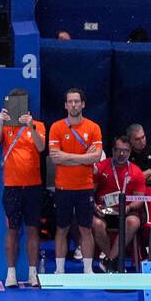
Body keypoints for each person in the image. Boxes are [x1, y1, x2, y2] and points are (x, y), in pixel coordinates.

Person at [0, 88, 46, 287]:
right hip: (12, 187)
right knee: (12, 230)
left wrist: (30, 127)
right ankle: (11, 273)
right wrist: (1, 122)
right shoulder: (5, 127)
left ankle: (32, 273)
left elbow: (41, 147)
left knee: (33, 230)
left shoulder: (38, 126)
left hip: (33, 187)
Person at [48, 88, 104, 273]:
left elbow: (95, 158)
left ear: (83, 104)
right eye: (70, 101)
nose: (73, 105)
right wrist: (82, 157)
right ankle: (59, 270)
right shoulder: (57, 127)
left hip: (85, 187)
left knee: (85, 229)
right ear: (65, 105)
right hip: (63, 187)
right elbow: (55, 159)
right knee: (62, 229)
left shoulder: (93, 128)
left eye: (77, 101)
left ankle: (88, 270)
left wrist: (68, 157)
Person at [91, 133, 145, 272]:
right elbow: (90, 191)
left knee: (133, 222)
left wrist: (129, 207)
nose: (122, 153)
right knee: (95, 224)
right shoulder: (101, 167)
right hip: (104, 210)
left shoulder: (136, 172)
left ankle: (110, 260)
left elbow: (139, 200)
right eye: (118, 150)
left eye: (125, 151)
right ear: (113, 150)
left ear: (130, 152)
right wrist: (94, 206)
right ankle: (113, 260)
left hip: (126, 210)